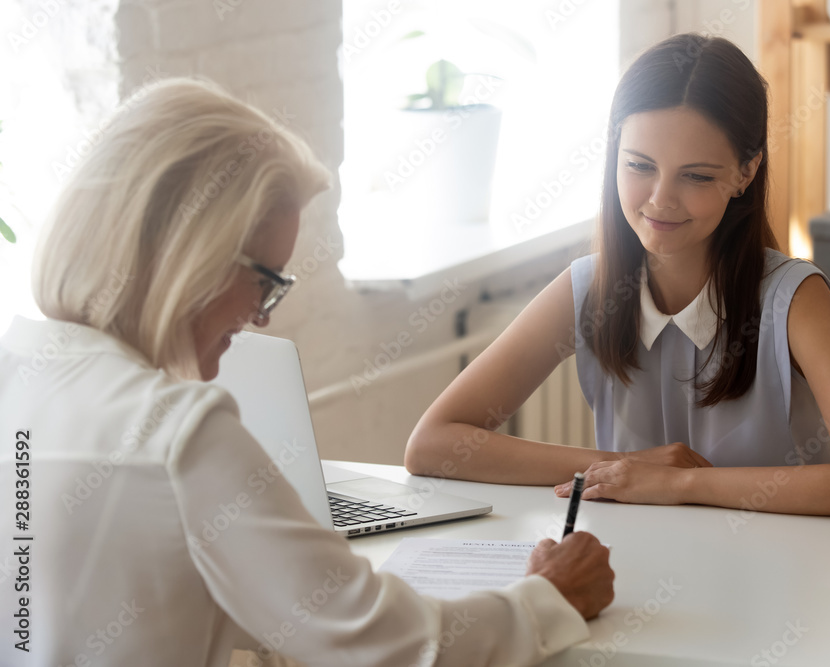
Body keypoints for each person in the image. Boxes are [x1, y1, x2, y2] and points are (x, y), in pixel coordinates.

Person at [0, 78, 613, 667]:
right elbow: (390, 647)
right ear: (191, 253)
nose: (262, 318)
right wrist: (547, 600)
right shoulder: (176, 433)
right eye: (266, 281)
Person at [405, 34, 830, 520]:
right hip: (638, 570)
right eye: (639, 165)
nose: (660, 200)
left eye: (696, 176)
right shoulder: (587, 288)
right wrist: (626, 468)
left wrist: (681, 484)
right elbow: (432, 444)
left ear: (746, 171)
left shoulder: (794, 299)